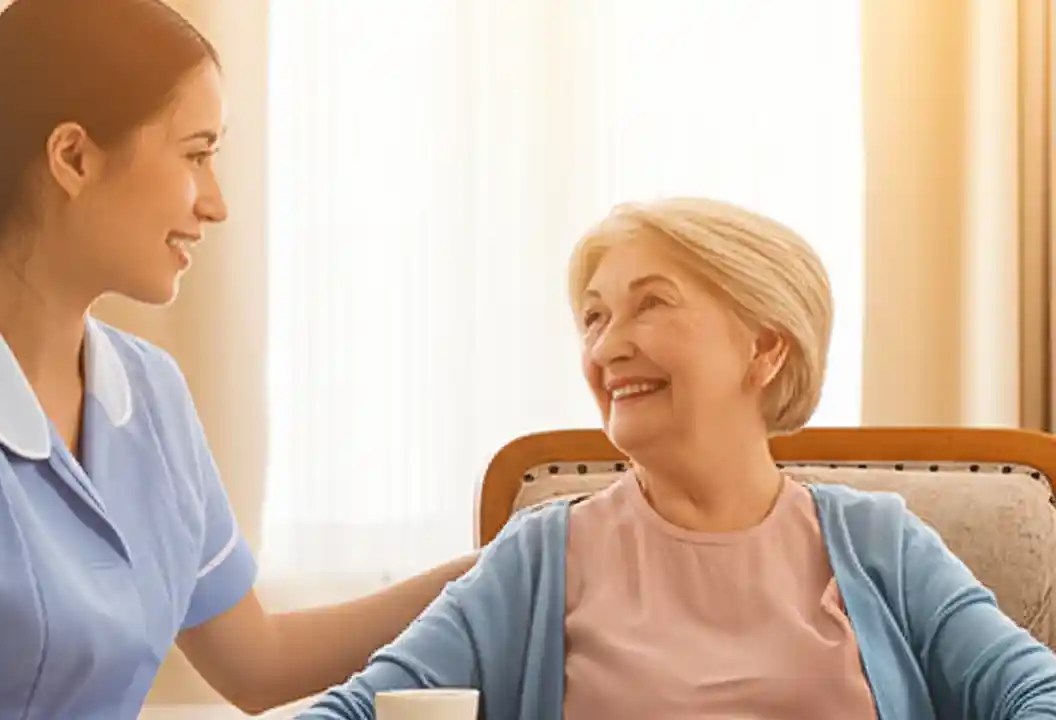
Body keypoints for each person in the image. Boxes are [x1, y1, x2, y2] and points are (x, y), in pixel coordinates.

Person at [0, 1, 475, 717]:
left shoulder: (151, 394)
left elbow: (259, 661)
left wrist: (503, 572)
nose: (217, 202)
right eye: (197, 154)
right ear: (73, 157)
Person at [298, 197, 1056, 718]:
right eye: (594, 316)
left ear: (764, 347)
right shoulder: (539, 560)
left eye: (651, 303)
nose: (606, 345)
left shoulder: (878, 546)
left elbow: (1037, 694)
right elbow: (362, 708)